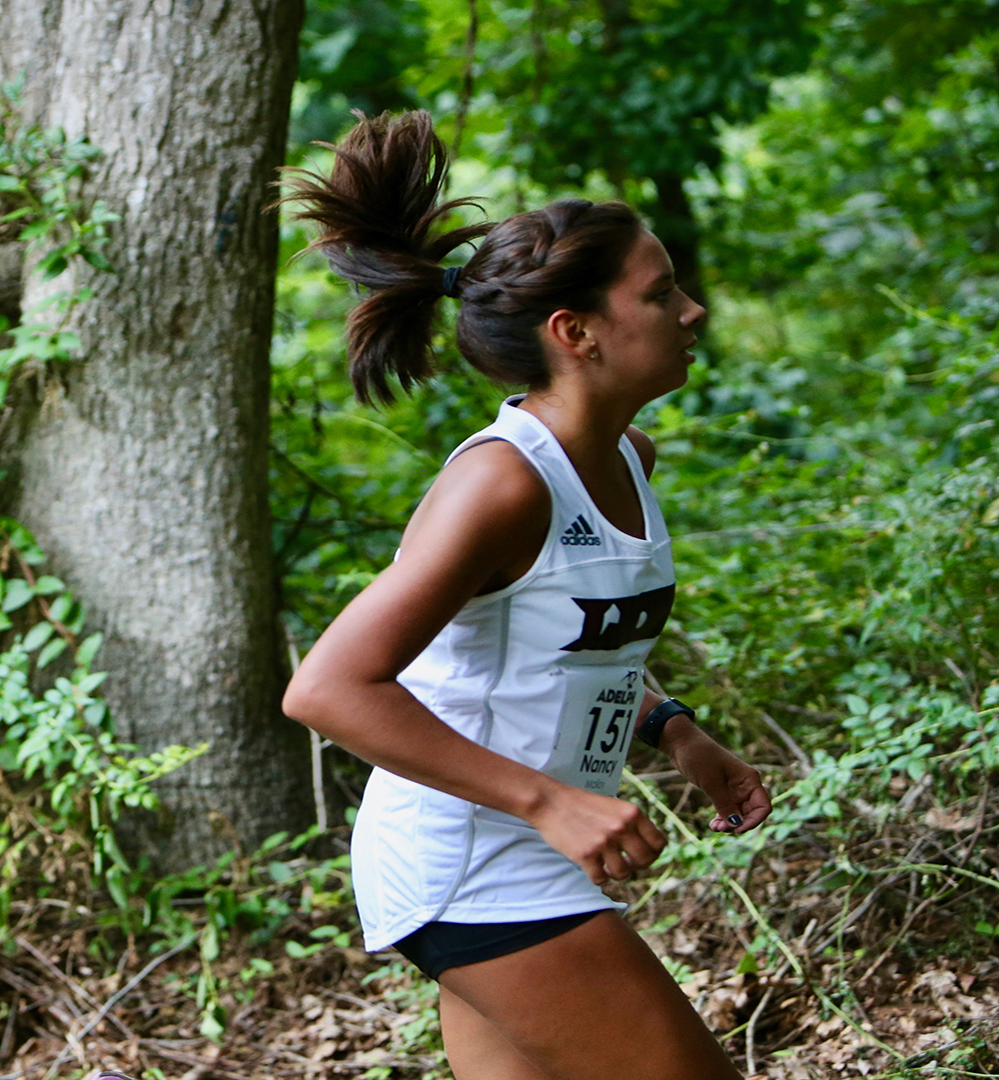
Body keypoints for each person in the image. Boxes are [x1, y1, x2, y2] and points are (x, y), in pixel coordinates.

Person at [279, 110, 772, 1080]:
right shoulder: (502, 485)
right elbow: (328, 690)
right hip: (470, 857)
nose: (693, 310)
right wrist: (549, 802)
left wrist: (673, 728)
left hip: (529, 846)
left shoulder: (628, 456)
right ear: (575, 332)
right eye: (661, 291)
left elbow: (567, 644)